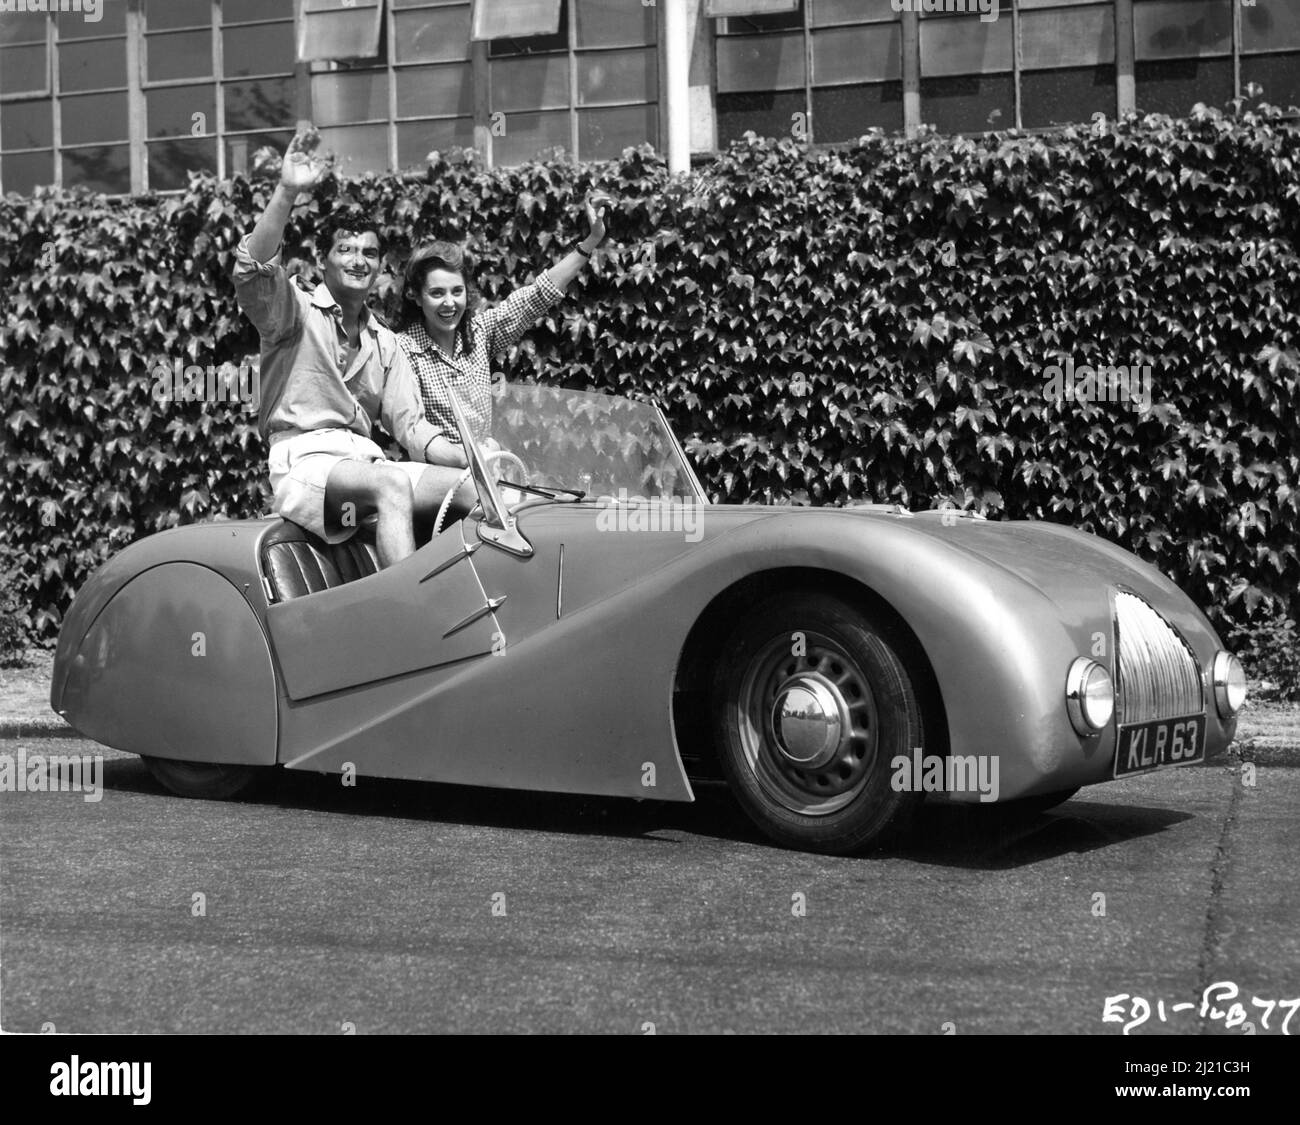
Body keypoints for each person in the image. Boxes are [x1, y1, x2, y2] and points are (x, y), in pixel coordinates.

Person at [231, 130, 470, 567]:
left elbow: (413, 429)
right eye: (346, 249)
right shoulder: (294, 312)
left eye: (370, 252)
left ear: (381, 266)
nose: (359, 260)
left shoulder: (387, 343)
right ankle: (411, 618)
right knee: (391, 485)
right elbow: (252, 271)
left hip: (366, 461)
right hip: (305, 461)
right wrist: (287, 191)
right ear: (324, 258)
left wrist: (471, 456)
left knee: (471, 490)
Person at [393, 196, 609, 483]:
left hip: (487, 472)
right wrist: (469, 457)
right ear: (415, 296)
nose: (449, 303)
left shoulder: (480, 332)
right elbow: (412, 428)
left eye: (457, 291)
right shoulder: (403, 349)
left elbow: (538, 294)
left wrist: (591, 241)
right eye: (437, 293)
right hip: (438, 480)